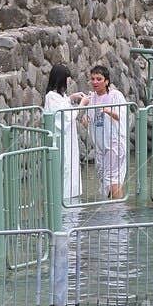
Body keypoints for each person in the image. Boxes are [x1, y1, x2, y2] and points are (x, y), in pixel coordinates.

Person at [80, 64, 128, 200]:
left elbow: (121, 116)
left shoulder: (115, 95)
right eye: (93, 79)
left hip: (114, 144)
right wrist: (85, 119)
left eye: (99, 79)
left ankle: (117, 209)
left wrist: (107, 110)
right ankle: (111, 206)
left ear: (106, 81)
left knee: (113, 179)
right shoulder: (92, 98)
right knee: (104, 179)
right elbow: (89, 120)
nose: (95, 82)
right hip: (100, 146)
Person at [41, 63, 84, 203]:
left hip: (69, 141)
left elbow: (63, 105)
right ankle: (64, 202)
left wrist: (71, 97)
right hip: (62, 141)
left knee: (71, 168)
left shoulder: (60, 96)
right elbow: (65, 116)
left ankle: (72, 200)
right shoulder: (51, 96)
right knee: (65, 169)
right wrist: (82, 104)